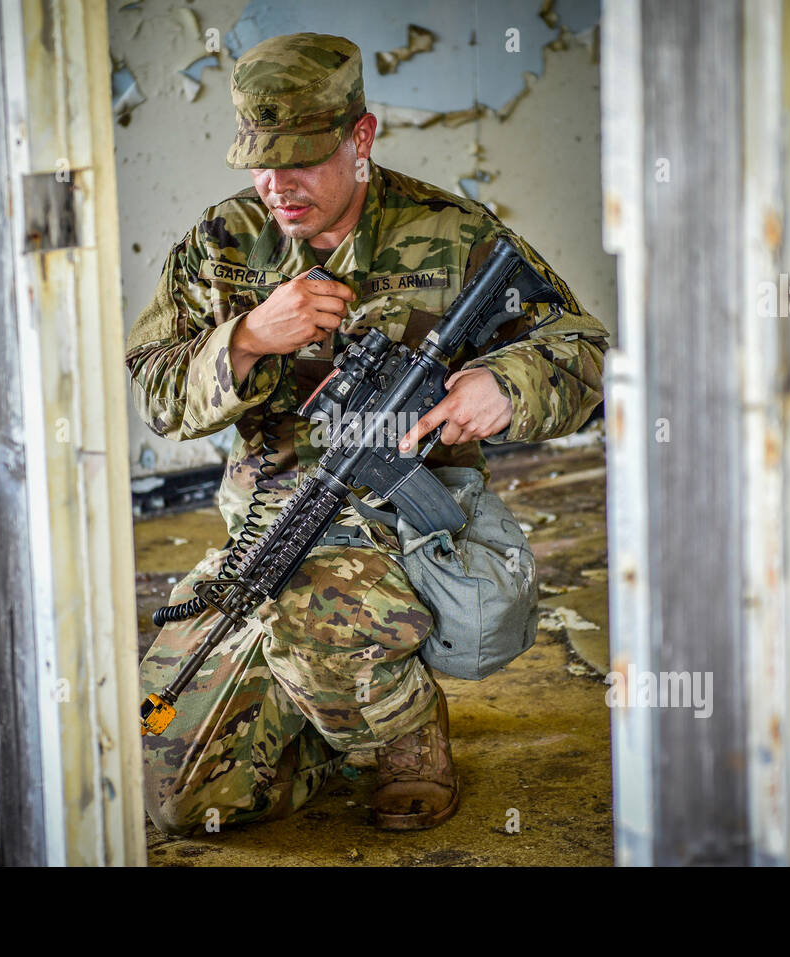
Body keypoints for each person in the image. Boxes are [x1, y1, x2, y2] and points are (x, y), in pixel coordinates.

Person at [125, 32, 607, 835]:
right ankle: (336, 712)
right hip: (268, 529)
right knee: (180, 793)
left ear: (361, 137)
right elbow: (155, 391)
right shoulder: (224, 244)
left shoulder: (449, 233)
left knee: (318, 606)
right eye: (261, 161)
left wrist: (507, 384)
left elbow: (583, 349)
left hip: (404, 529)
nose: (279, 186)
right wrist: (244, 338)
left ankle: (405, 727)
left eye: (304, 159)